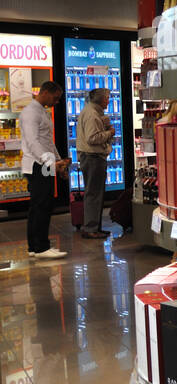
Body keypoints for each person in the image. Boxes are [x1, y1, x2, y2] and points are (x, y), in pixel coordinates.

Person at [20, 81, 70, 259]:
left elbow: (48, 140)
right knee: (41, 205)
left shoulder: (43, 111)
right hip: (37, 164)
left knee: (41, 205)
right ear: (46, 92)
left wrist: (58, 161)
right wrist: (48, 162)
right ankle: (41, 247)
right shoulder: (31, 112)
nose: (56, 102)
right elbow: (33, 142)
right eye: (55, 98)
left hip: (45, 162)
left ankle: (35, 247)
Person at [76, 88, 115, 239]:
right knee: (94, 194)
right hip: (93, 158)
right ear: (100, 100)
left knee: (94, 193)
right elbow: (92, 138)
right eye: (107, 98)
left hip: (90, 157)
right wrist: (109, 133)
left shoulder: (91, 111)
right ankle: (91, 228)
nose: (109, 101)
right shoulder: (92, 114)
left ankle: (94, 226)